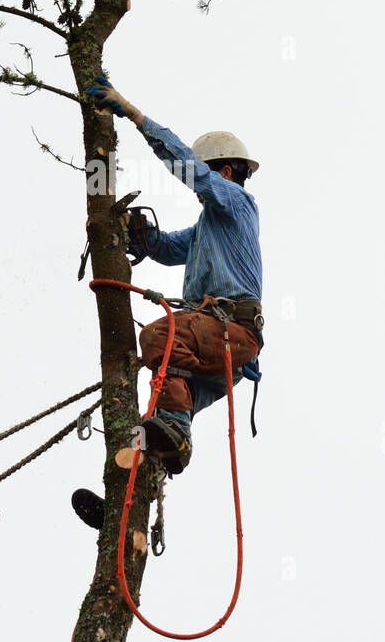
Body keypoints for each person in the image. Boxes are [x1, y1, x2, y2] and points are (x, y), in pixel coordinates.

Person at [71, 76, 263, 531]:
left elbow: (186, 167)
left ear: (226, 172)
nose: (202, 183)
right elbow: (162, 247)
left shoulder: (236, 203)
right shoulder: (204, 232)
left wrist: (132, 114)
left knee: (161, 333)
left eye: (208, 172)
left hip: (230, 335)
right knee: (153, 423)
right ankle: (129, 505)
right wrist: (135, 233)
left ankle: (174, 433)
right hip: (211, 355)